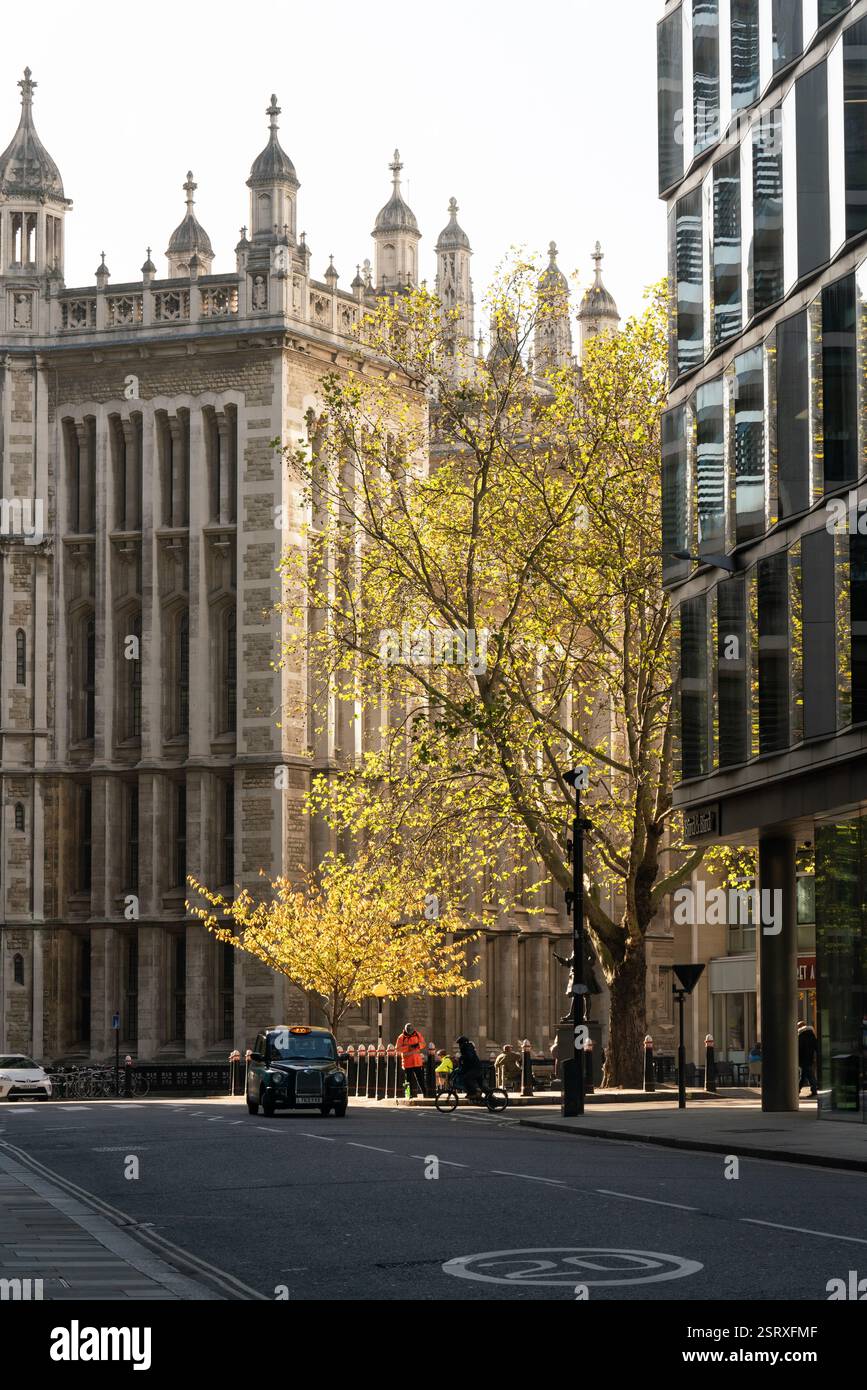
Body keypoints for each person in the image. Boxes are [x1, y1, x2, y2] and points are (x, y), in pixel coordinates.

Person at [395, 1022, 427, 1097]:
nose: (410, 1034)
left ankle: (425, 1093)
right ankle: (409, 1094)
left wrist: (418, 1045)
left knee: (420, 1078)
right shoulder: (401, 1037)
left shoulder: (417, 1034)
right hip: (407, 1062)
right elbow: (397, 1049)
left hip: (417, 1061)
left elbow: (423, 1044)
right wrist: (408, 1048)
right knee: (408, 1080)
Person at [797, 1021, 818, 1097]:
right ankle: (798, 1090)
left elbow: (799, 1049)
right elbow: (816, 1047)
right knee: (804, 1075)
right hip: (810, 1058)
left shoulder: (800, 1036)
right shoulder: (812, 1035)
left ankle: (814, 1090)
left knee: (808, 1075)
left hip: (802, 1059)